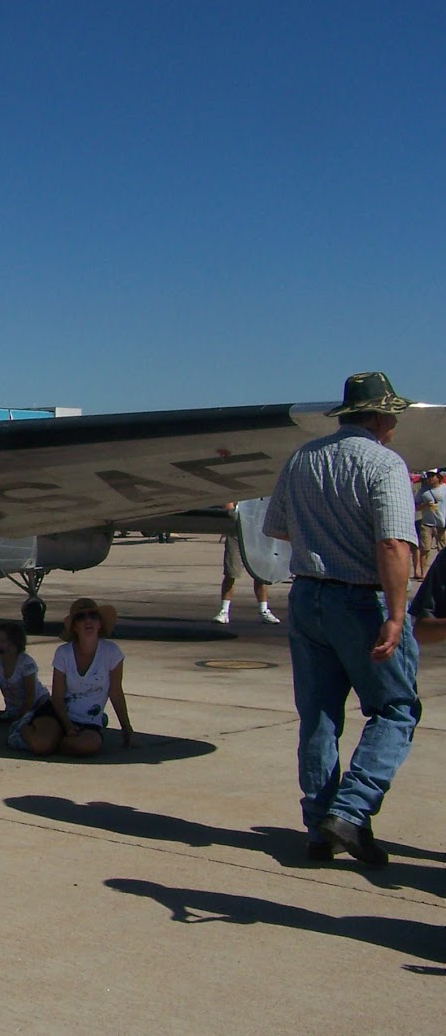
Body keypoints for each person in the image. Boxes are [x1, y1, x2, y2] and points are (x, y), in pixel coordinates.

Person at [263, 371, 420, 866]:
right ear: (379, 416)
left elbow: (278, 528)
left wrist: (323, 544)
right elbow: (393, 542)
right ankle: (350, 812)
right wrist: (396, 616)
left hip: (308, 594)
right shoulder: (384, 463)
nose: (393, 422)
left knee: (319, 716)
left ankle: (319, 828)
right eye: (391, 414)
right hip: (360, 599)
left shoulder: (302, 458)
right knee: (395, 709)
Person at [22, 598, 138, 756]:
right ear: (74, 626)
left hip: (88, 720)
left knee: (89, 746)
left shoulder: (112, 652)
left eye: (93, 616)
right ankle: (25, 727)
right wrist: (67, 725)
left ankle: (58, 740)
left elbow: (115, 692)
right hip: (59, 714)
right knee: (42, 746)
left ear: (100, 623)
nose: (88, 620)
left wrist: (126, 727)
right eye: (81, 617)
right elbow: (57, 696)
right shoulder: (63, 653)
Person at [0, 621, 50, 751]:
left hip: (37, 704)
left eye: (3, 641)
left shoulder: (26, 663)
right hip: (14, 708)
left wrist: (20, 717)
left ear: (14, 645)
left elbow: (30, 695)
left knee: (25, 725)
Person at [213, 502, 280, 624]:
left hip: (258, 534)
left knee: (261, 574)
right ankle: (224, 611)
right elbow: (227, 501)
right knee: (231, 572)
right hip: (238, 532)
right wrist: (233, 511)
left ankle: (264, 610)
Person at [414, 469, 445, 580]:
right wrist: (425, 506)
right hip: (427, 523)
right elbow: (415, 506)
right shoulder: (423, 490)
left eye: (432, 476)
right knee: (425, 549)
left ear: (438, 477)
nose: (430, 478)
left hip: (442, 524)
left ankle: (443, 572)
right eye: (428, 476)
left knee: (443, 549)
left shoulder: (444, 489)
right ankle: (424, 573)